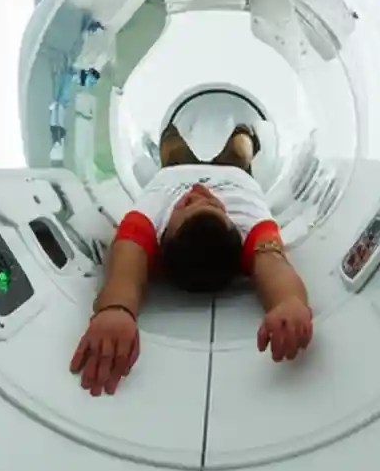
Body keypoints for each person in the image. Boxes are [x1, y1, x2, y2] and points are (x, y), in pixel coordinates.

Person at [69, 123, 313, 396]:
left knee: (172, 144)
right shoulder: (250, 225)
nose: (199, 191)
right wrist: (290, 302)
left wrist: (116, 309)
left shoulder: (151, 219)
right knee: (239, 148)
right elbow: (274, 264)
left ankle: (170, 129)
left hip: (173, 173)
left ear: (161, 239)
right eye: (214, 205)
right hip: (235, 174)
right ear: (234, 224)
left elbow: (127, 259)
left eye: (186, 204)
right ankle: (244, 132)